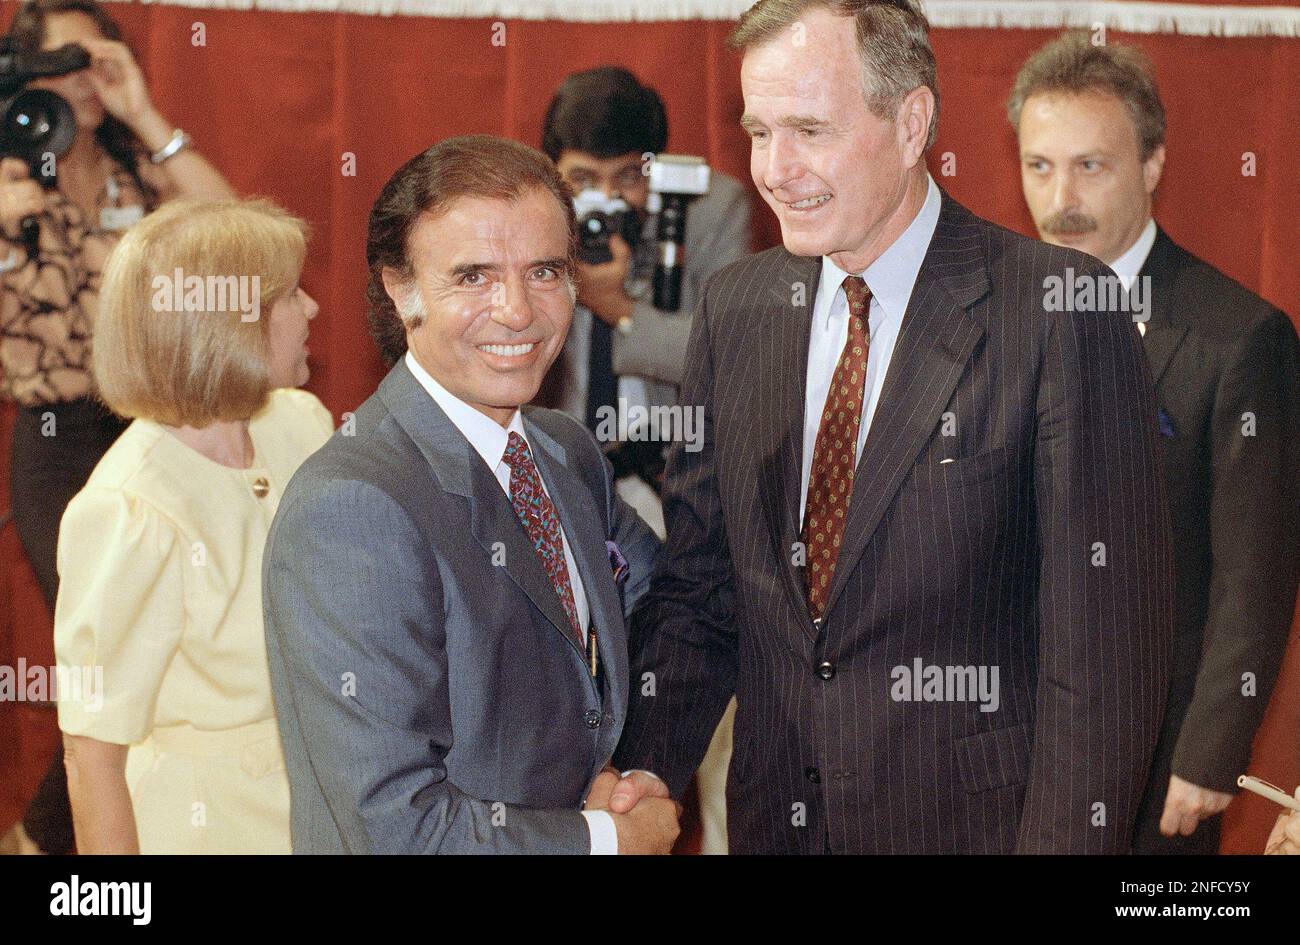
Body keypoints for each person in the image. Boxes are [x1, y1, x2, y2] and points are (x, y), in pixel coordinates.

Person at [609, 0, 1174, 854]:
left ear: (912, 123)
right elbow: (702, 586)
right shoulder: (739, 308)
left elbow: (1104, 664)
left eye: (808, 129)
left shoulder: (1059, 313)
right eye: (759, 131)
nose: (774, 167)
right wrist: (649, 761)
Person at [262, 135, 672, 854]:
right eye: (474, 276)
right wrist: (604, 838)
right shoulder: (351, 508)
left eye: (544, 270)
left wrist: (617, 776)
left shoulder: (563, 451)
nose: (517, 311)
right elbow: (395, 825)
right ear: (400, 289)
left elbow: (668, 609)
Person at [1010, 32, 1300, 855]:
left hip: (1153, 754)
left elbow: (1257, 572)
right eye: (1039, 165)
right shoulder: (984, 319)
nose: (1060, 196)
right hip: (1000, 745)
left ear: (1153, 163)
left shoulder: (1238, 337)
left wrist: (1210, 752)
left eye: (1090, 165)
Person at [0, 0, 234, 855]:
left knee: (159, 647)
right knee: (109, 656)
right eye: (63, 61)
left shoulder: (139, 175)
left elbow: (234, 237)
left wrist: (139, 107)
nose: (82, 77)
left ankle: (51, 841)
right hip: (59, 445)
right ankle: (52, 844)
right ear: (26, 73)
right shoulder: (9, 168)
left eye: (101, 57)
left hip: (158, 433)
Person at [54, 197, 331, 853]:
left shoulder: (300, 424)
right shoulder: (130, 510)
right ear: (229, 325)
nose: (312, 309)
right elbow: (91, 756)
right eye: (291, 294)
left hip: (316, 811)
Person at [538, 64, 752, 855]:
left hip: (681, 486)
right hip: (574, 497)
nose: (610, 197)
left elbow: (729, 351)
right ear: (552, 174)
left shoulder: (714, 207)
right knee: (577, 707)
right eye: (584, 179)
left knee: (714, 709)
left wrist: (620, 306)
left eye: (631, 176)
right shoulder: (530, 221)